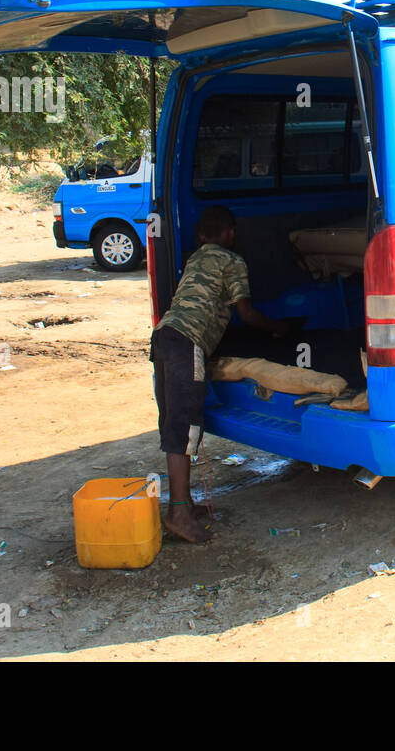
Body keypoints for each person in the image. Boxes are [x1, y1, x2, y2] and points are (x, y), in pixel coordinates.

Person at [151, 205, 288, 542]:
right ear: (231, 234)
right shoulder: (232, 261)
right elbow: (246, 313)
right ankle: (178, 513)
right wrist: (276, 327)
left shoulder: (197, 257)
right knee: (185, 428)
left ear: (200, 236)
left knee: (173, 424)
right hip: (187, 343)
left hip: (164, 336)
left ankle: (185, 503)